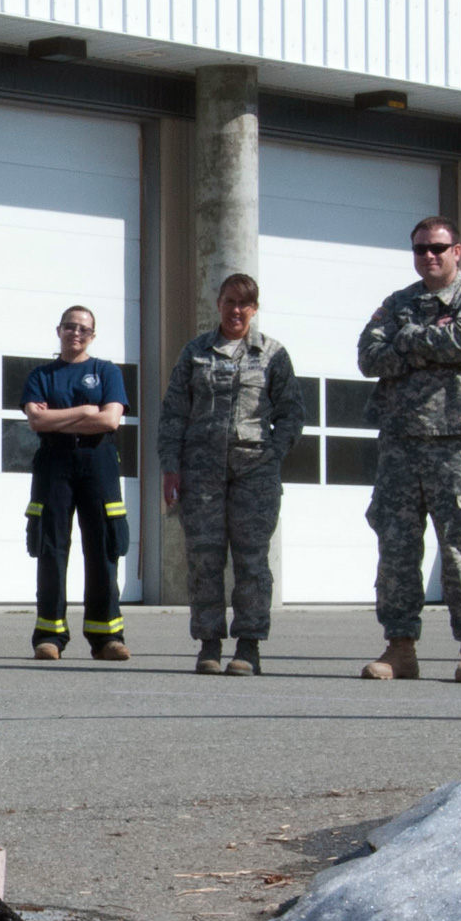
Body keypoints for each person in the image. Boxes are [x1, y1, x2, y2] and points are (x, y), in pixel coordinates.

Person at [356, 216, 461, 682]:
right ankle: (400, 647)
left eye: (437, 248)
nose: (428, 256)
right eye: (420, 248)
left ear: (456, 251)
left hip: (454, 441)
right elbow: (368, 357)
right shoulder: (398, 302)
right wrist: (428, 341)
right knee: (397, 549)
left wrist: (405, 341)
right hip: (400, 443)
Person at [155, 273, 303, 676]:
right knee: (204, 560)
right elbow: (173, 413)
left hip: (254, 475)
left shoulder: (272, 354)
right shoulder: (195, 352)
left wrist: (272, 455)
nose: (236, 310)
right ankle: (209, 644)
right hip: (201, 474)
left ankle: (249, 646)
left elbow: (292, 413)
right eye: (229, 302)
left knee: (251, 561)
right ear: (218, 304)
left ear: (254, 309)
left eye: (244, 303)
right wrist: (170, 467)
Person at [21, 307, 132, 661]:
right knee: (50, 547)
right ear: (59, 330)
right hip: (54, 462)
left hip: (98, 461)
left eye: (84, 329)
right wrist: (85, 411)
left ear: (92, 336)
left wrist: (57, 418)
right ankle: (49, 635)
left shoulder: (107, 372)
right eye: (70, 326)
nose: (76, 333)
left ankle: (107, 637)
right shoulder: (41, 375)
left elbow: (110, 420)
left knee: (103, 547)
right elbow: (36, 421)